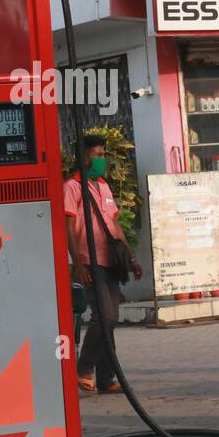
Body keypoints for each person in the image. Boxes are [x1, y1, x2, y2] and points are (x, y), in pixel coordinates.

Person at [65, 134, 142, 394]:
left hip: (110, 261)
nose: (101, 160)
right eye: (96, 155)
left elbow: (115, 225)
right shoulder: (72, 188)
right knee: (104, 316)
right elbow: (68, 228)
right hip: (90, 261)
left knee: (111, 318)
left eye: (102, 155)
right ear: (83, 157)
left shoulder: (104, 186)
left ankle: (106, 378)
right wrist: (77, 264)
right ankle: (83, 368)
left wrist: (131, 258)